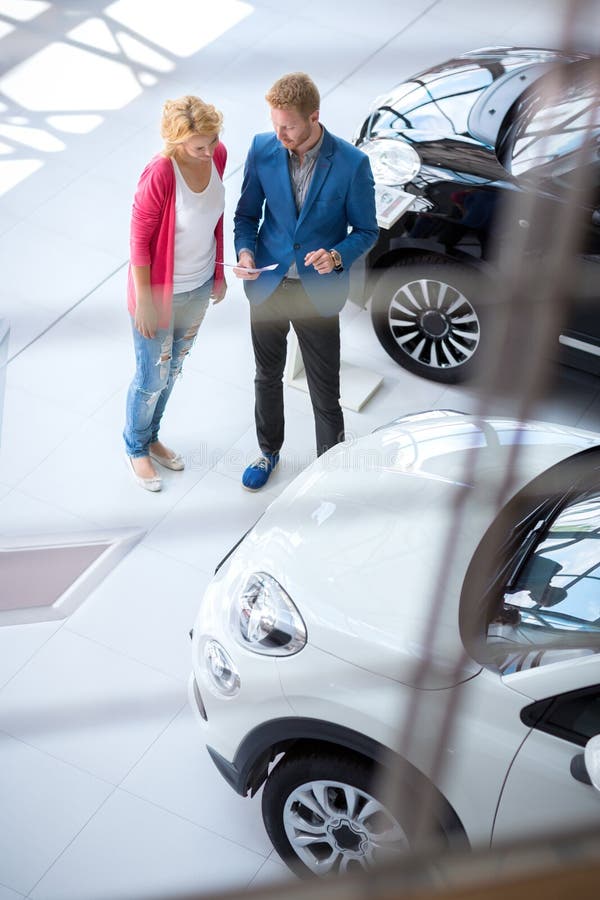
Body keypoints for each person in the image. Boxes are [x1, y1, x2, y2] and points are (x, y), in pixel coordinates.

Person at [233, 72, 378, 491]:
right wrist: (245, 252)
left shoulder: (352, 164)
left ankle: (330, 471)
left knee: (324, 392)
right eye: (275, 124)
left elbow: (367, 232)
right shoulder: (262, 148)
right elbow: (246, 216)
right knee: (266, 376)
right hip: (267, 285)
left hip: (318, 292)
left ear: (314, 116)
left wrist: (335, 256)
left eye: (289, 126)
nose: (280, 134)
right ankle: (267, 452)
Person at [123, 95, 227, 491]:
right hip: (159, 295)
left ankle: (152, 437)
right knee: (151, 377)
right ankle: (135, 446)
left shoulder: (217, 156)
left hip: (199, 286)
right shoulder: (161, 173)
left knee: (173, 371)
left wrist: (218, 272)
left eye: (213, 141)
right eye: (199, 146)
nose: (209, 152)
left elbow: (214, 218)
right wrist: (145, 300)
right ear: (178, 141)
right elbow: (139, 240)